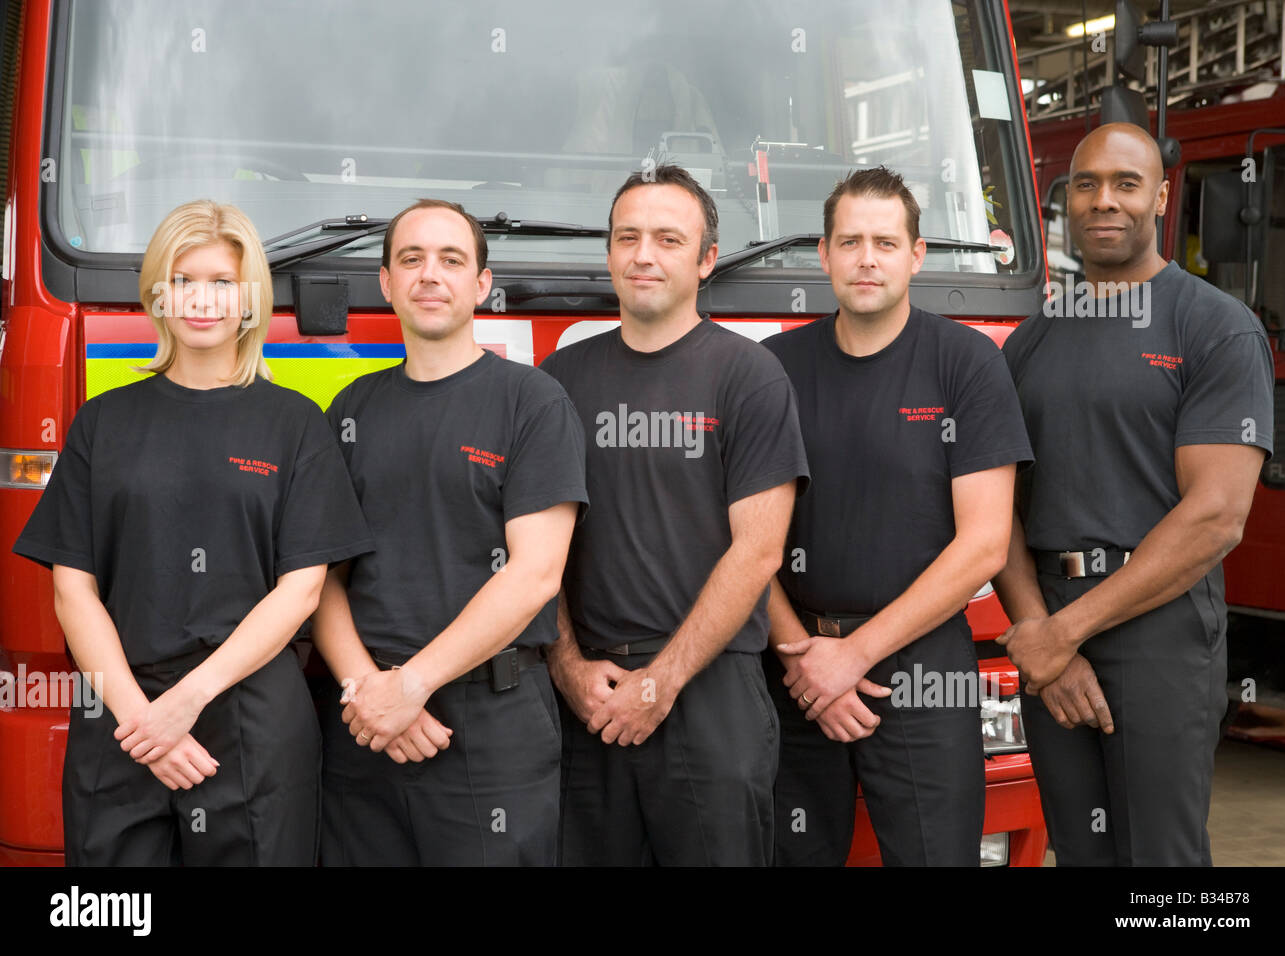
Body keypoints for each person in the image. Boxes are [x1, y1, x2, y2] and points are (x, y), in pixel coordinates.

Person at [11, 199, 373, 865]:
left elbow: (300, 593)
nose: (200, 299)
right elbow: (73, 591)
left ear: (249, 299)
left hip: (253, 718)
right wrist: (139, 716)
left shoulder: (295, 424)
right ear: (158, 294)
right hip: (123, 717)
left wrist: (188, 701)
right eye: (182, 281)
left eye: (220, 282)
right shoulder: (103, 421)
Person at [994, 122, 1274, 866]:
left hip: (1159, 630)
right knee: (1082, 854)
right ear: (1066, 203)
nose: (1103, 201)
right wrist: (1040, 632)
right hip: (1050, 618)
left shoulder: (1215, 329)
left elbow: (1216, 516)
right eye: (1086, 185)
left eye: (1125, 184)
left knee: (1160, 859)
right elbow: (999, 515)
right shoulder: (1031, 342)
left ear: (1160, 195)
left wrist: (1063, 634)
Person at [761, 167, 1033, 866]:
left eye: (885, 242)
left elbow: (983, 545)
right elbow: (739, 540)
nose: (866, 259)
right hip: (789, 670)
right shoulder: (771, 370)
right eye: (849, 242)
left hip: (921, 673)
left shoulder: (966, 365)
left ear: (916, 255)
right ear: (822, 255)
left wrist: (852, 656)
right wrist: (802, 662)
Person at [540, 164, 809, 866]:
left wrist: (661, 681)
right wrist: (568, 666)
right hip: (588, 703)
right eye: (626, 237)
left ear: (706, 259)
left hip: (710, 697)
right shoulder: (558, 383)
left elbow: (757, 552)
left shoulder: (748, 377)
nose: (643, 255)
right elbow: (539, 551)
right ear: (609, 254)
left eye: (667, 238)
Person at [313, 199, 587, 866]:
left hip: (489, 728)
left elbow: (534, 576)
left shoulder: (532, 402)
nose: (429, 274)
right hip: (362, 727)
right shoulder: (350, 409)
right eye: (411, 259)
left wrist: (410, 688)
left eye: (451, 260)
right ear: (386, 284)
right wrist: (369, 692)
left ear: (481, 285)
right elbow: (319, 578)